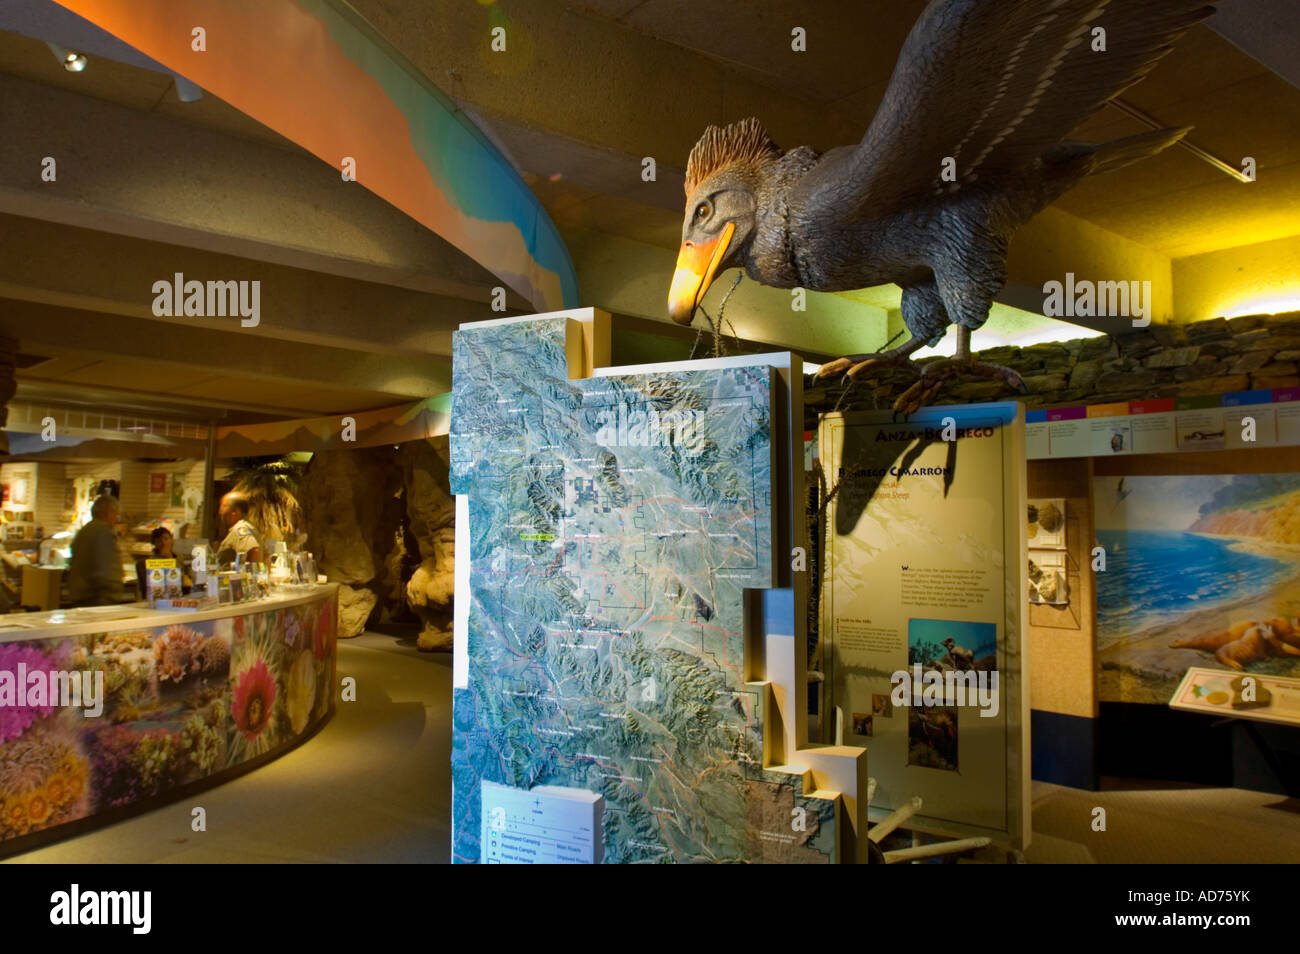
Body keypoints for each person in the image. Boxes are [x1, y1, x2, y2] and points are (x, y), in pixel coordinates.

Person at [66, 495, 125, 606]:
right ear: (108, 512)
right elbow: (103, 568)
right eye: (115, 513)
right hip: (99, 599)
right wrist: (107, 590)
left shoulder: (85, 530)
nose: (116, 518)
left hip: (82, 596)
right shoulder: (103, 532)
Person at [216, 492, 263, 567]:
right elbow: (266, 558)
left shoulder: (240, 529)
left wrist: (252, 576)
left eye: (223, 506)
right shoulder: (249, 527)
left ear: (234, 511)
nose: (220, 511)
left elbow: (255, 550)